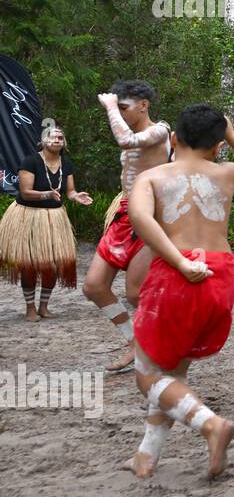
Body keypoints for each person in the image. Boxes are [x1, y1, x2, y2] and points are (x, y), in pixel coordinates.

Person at [124, 106, 234, 479]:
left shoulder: (153, 177)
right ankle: (146, 455)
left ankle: (210, 424)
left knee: (147, 377)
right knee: (172, 371)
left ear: (174, 139)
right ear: (218, 146)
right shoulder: (228, 172)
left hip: (179, 272)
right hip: (220, 272)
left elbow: (142, 219)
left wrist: (180, 262)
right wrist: (233, 136)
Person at [83, 82, 172, 372]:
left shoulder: (159, 130)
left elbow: (125, 141)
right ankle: (134, 343)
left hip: (151, 217)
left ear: (143, 104)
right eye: (117, 107)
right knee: (94, 286)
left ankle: (162, 344)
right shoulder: (133, 132)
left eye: (124, 107)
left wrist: (109, 106)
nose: (119, 113)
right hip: (124, 215)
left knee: (135, 294)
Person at [0, 125, 92, 319]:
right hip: (29, 216)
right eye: (53, 137)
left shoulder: (66, 164)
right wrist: (47, 194)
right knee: (31, 263)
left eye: (60, 137)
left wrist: (76, 197)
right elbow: (25, 192)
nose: (57, 140)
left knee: (53, 263)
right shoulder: (31, 161)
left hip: (55, 217)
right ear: (43, 141)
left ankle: (43, 306)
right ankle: (30, 308)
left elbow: (70, 191)